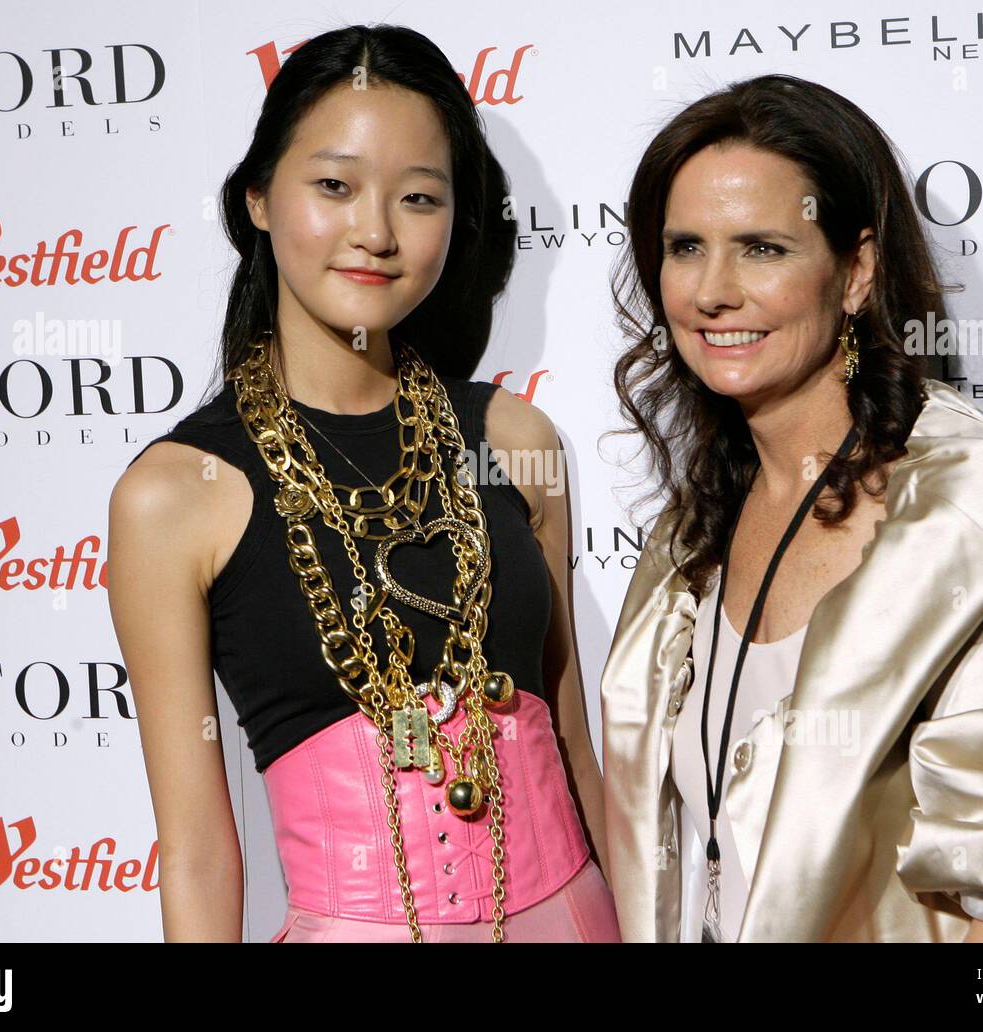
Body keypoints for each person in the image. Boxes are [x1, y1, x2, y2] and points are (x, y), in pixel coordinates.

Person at [599, 73, 983, 943]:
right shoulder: (690, 533)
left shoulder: (953, 502)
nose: (712, 290)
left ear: (856, 271)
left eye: (762, 248)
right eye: (685, 246)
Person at [107, 24, 618, 943]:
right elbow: (195, 849)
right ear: (259, 197)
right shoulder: (178, 494)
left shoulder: (515, 438)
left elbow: (577, 749)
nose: (375, 232)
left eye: (418, 197)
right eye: (334, 186)